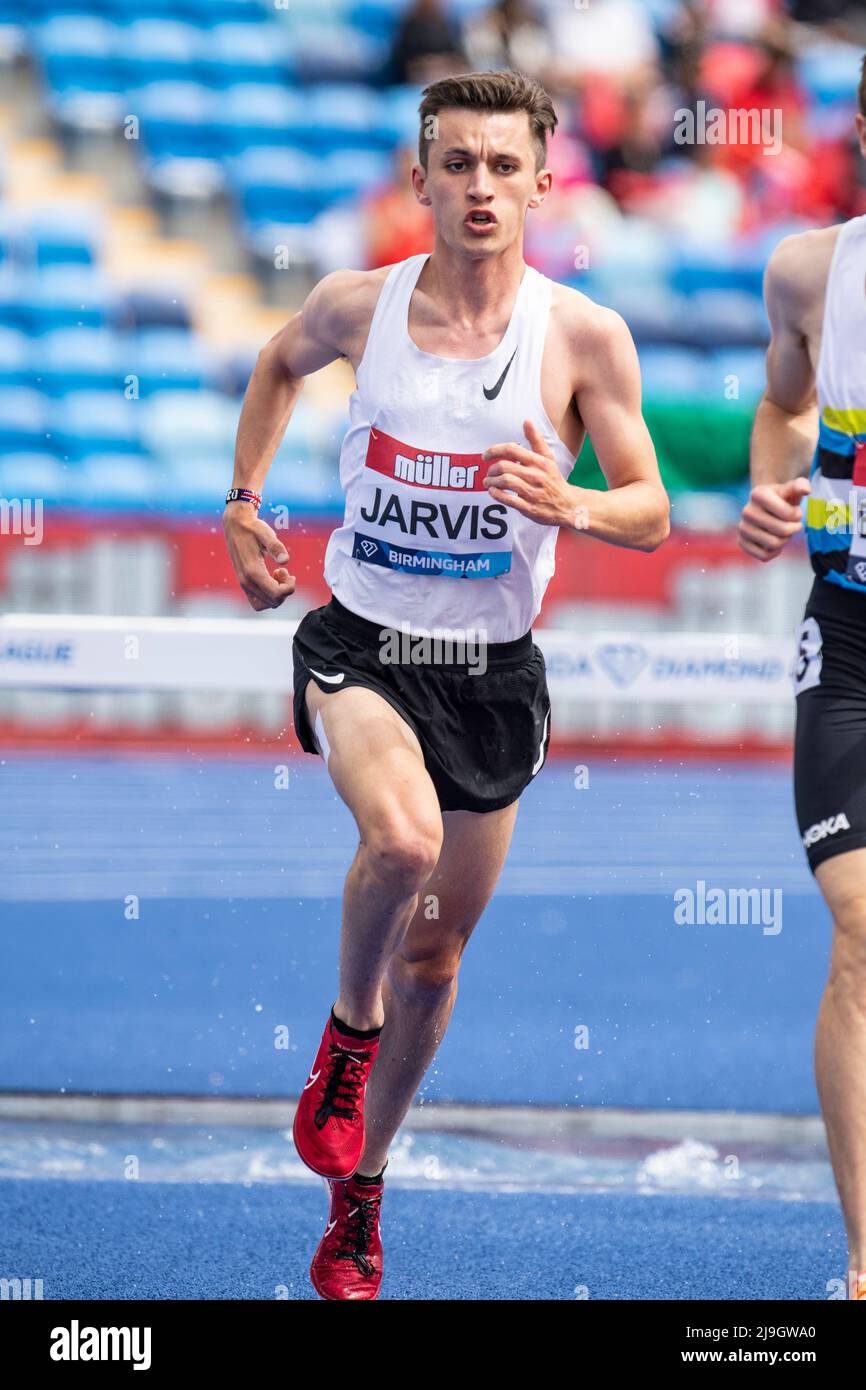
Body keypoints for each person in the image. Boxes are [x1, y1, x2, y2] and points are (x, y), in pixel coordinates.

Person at [223, 69, 669, 1301]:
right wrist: (244, 502)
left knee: (438, 963)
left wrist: (568, 498)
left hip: (488, 676)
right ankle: (343, 1035)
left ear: (540, 180)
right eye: (455, 164)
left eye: (501, 166)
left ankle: (359, 1191)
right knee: (403, 842)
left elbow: (648, 508)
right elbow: (273, 364)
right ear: (418, 179)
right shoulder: (357, 305)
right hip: (364, 644)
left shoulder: (580, 336)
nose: (479, 186)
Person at [736, 54, 866, 1304]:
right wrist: (771, 488)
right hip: (854, 647)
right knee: (859, 927)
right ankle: (865, 1262)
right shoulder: (808, 271)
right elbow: (780, 416)